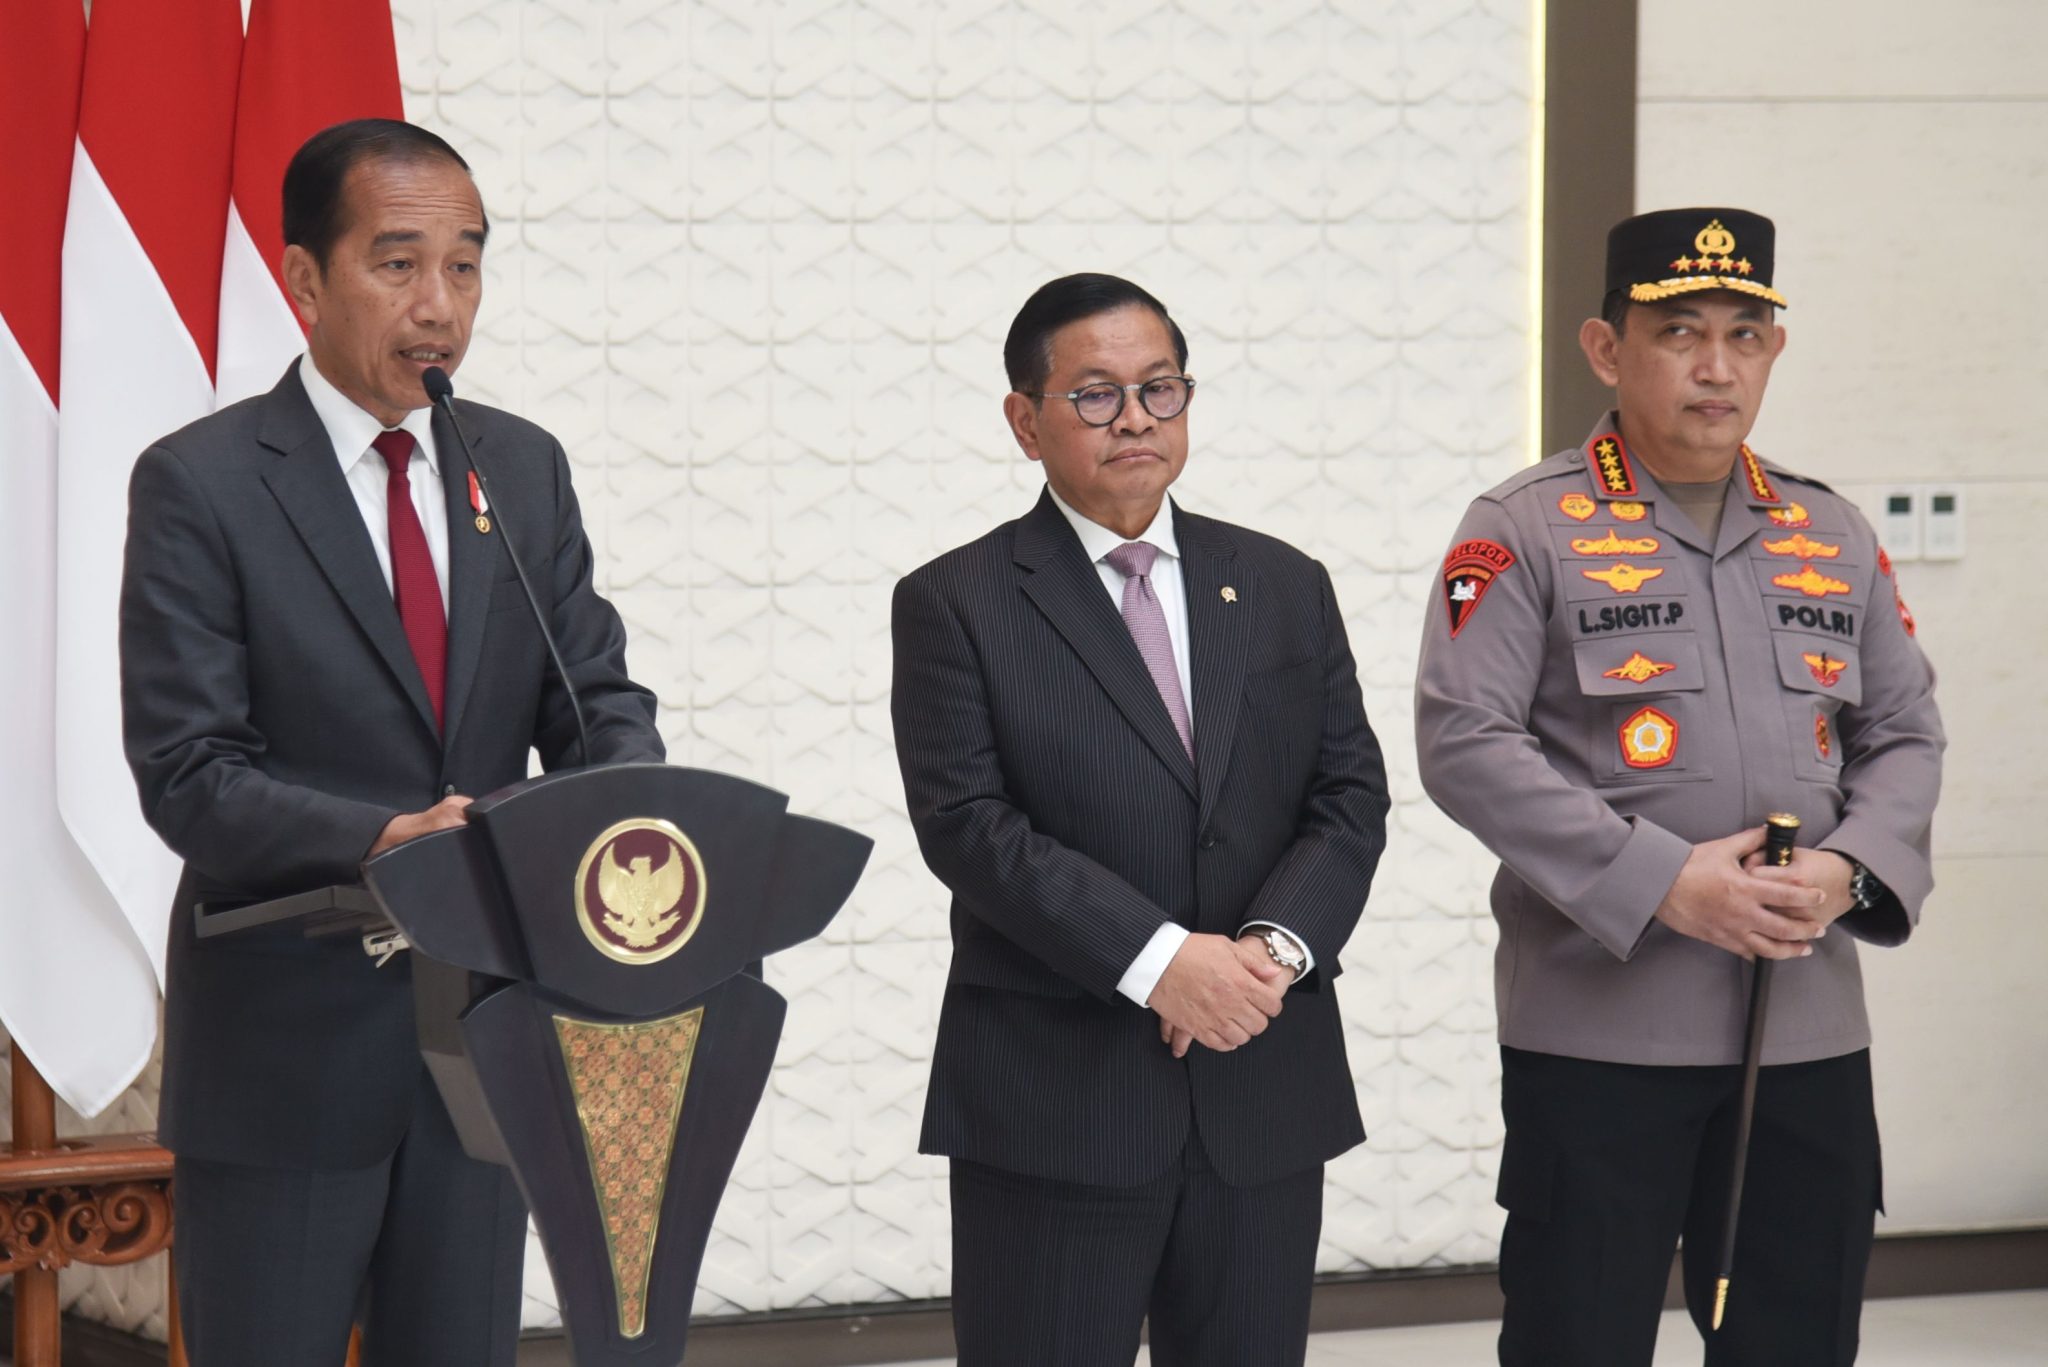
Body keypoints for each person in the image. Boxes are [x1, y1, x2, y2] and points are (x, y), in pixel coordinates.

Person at [119, 118, 664, 1365]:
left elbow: (594, 696)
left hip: (483, 1048)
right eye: (400, 262)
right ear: (306, 278)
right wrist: (385, 840)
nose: (441, 305)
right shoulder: (203, 483)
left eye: (466, 265)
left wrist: (630, 805)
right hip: (287, 1054)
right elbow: (189, 772)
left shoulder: (517, 468)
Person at [1415, 208, 1944, 1365]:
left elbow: (1903, 729)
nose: (1715, 365)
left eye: (1743, 334)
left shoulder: (1828, 528)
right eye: (1678, 333)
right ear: (1606, 350)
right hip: (1602, 1035)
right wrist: (1660, 882)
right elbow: (1464, 738)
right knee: (1577, 1335)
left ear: (1771, 352)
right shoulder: (1523, 527)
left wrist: (1845, 867)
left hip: (1803, 1030)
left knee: (1791, 1336)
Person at [890, 273, 1389, 1366]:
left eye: (1158, 390)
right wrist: (1160, 961)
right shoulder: (956, 601)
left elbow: (1347, 794)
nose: (1135, 421)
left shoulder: (1279, 582)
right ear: (1025, 421)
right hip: (1059, 1100)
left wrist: (1265, 954)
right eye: (1096, 394)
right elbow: (967, 825)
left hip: (1258, 1079)